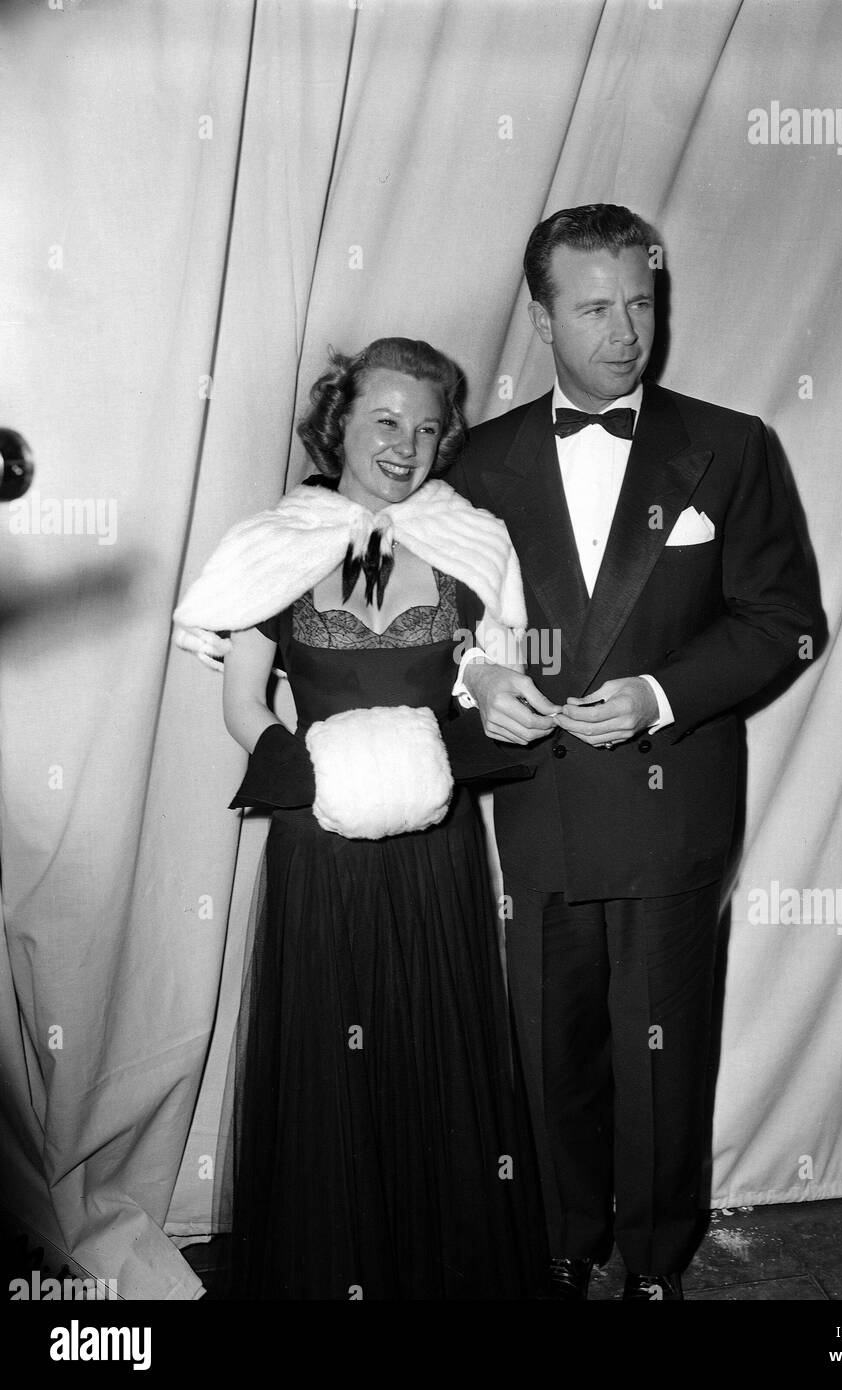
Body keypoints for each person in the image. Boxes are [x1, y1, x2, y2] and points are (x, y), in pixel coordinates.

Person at [451, 205, 824, 1299]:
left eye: (643, 303)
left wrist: (661, 692)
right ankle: (565, 1242)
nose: (627, 331)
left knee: (662, 1055)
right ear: (540, 317)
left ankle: (658, 1263)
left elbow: (785, 618)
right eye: (596, 306)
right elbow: (445, 624)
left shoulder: (734, 444)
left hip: (674, 811)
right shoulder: (477, 460)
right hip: (541, 806)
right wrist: (480, 679)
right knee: (548, 1048)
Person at [173, 337, 546, 1299]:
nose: (406, 445)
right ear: (338, 419)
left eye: (427, 429)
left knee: (436, 1058)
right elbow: (243, 703)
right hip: (320, 838)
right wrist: (303, 774)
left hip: (438, 845)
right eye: (386, 419)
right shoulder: (274, 544)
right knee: (330, 1067)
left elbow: (481, 680)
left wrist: (493, 701)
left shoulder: (468, 539)